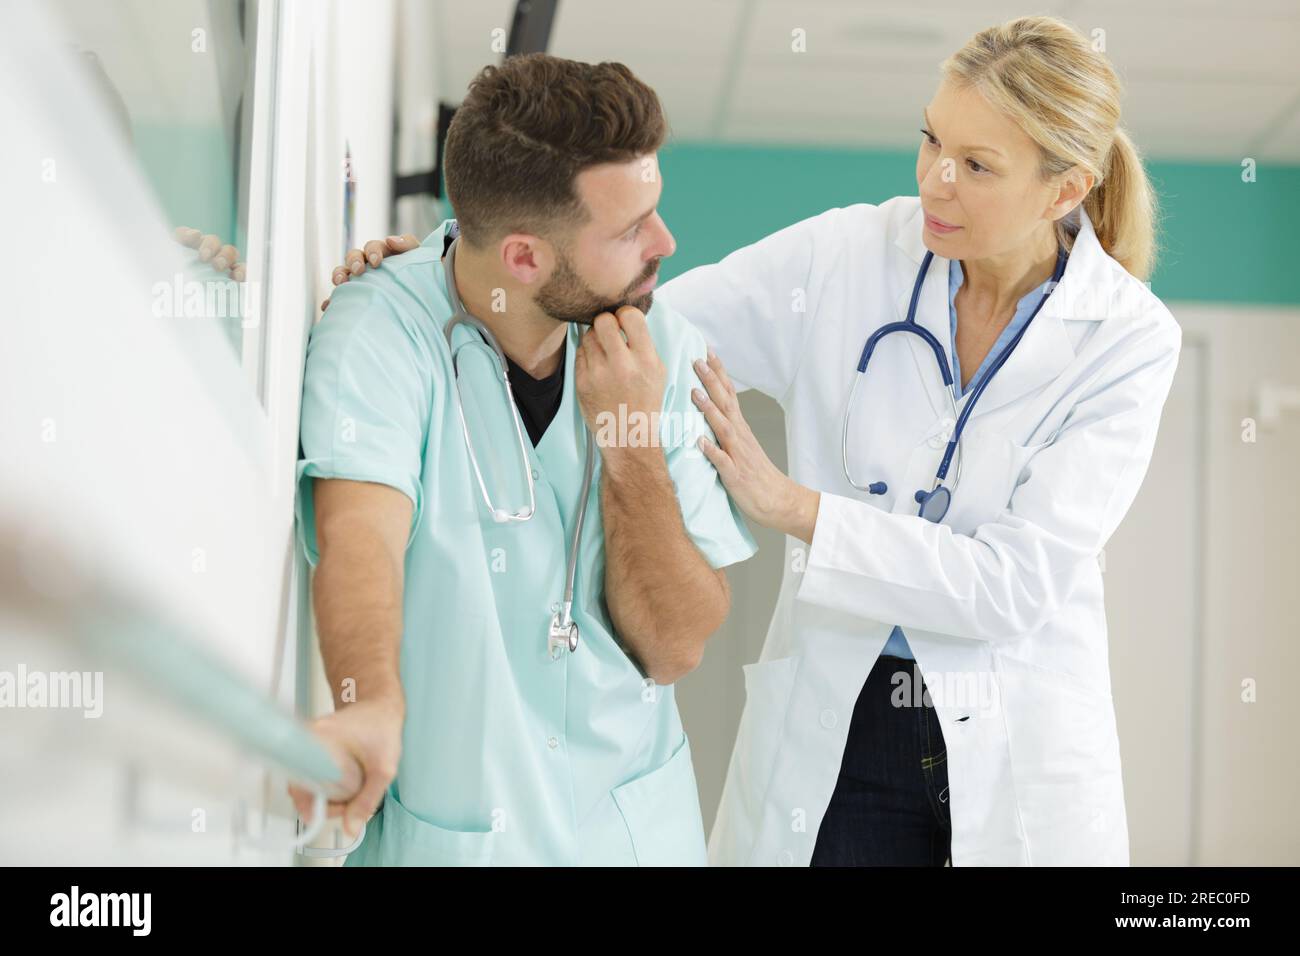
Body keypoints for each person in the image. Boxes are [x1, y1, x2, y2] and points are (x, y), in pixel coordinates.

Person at [342, 16, 1181, 866]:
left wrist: (794, 506)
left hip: (1010, 743)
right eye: (931, 140)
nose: (934, 181)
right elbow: (648, 326)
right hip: (842, 724)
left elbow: (1014, 587)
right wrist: (467, 273)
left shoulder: (1124, 341)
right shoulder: (853, 253)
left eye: (977, 166)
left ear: (1066, 189)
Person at [290, 53, 755, 866]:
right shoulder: (382, 334)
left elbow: (676, 646)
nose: (666, 242)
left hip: (633, 837)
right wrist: (368, 701)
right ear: (524, 259)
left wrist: (631, 444)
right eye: (629, 230)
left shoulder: (662, 347)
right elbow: (359, 537)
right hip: (461, 835)